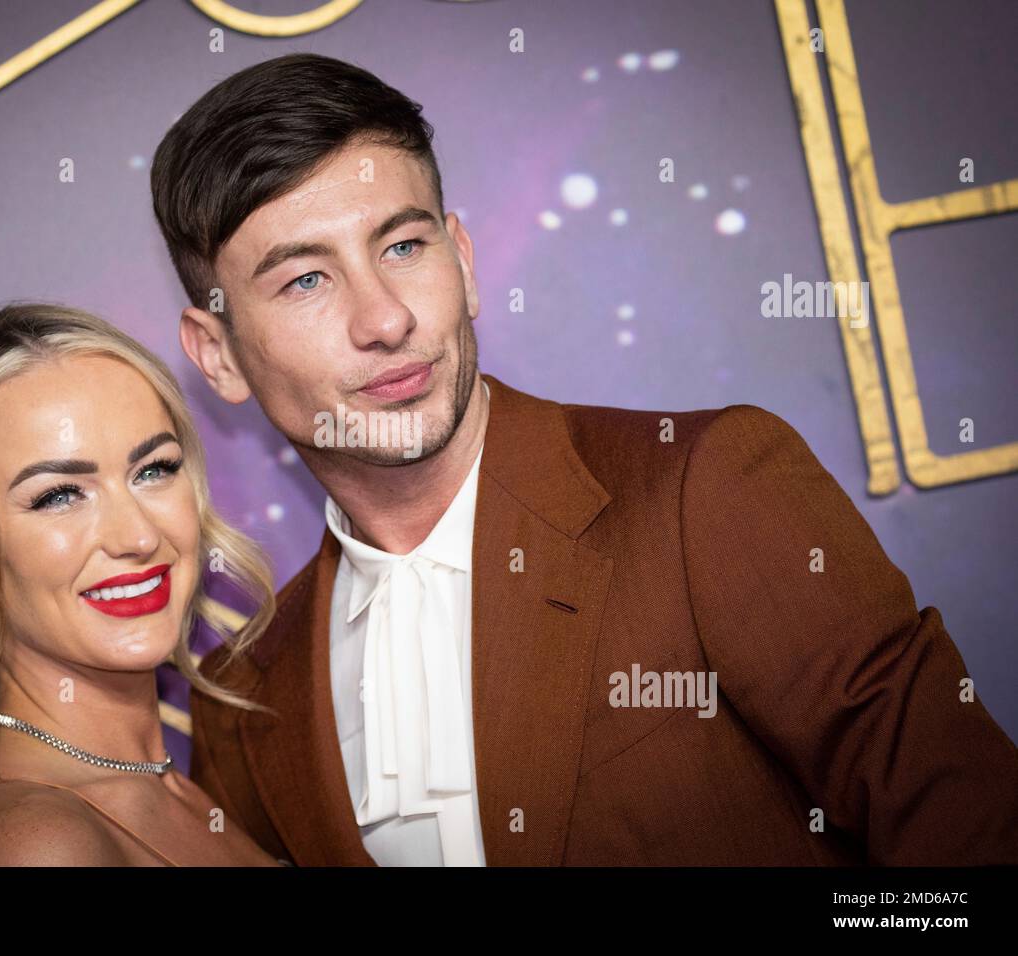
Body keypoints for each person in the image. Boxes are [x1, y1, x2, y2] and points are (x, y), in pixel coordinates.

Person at [150, 53, 1018, 866]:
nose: (384, 318)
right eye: (306, 280)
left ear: (465, 260)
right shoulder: (241, 698)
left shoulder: (705, 489)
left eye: (404, 247)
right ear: (218, 353)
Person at [0, 303, 282, 866]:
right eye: (58, 495)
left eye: (153, 470)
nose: (138, 536)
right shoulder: (35, 844)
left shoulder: (180, 787)